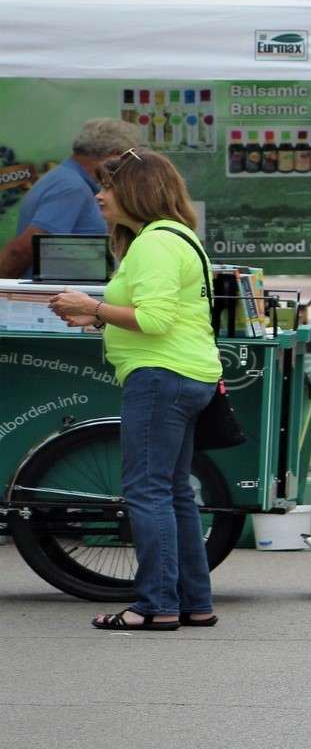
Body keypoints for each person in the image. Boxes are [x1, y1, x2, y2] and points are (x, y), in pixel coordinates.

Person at [46, 150, 223, 630]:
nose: (99, 195)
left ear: (135, 192)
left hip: (160, 376)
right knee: (174, 493)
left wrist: (94, 306)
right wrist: (97, 317)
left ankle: (155, 606)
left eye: (107, 186)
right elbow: (164, 316)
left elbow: (154, 319)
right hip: (186, 373)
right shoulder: (178, 237)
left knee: (146, 492)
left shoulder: (154, 244)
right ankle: (193, 602)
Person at [0, 117, 143, 278]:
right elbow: (22, 250)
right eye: (129, 159)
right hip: (54, 297)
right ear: (115, 155)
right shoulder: (71, 187)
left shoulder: (65, 178)